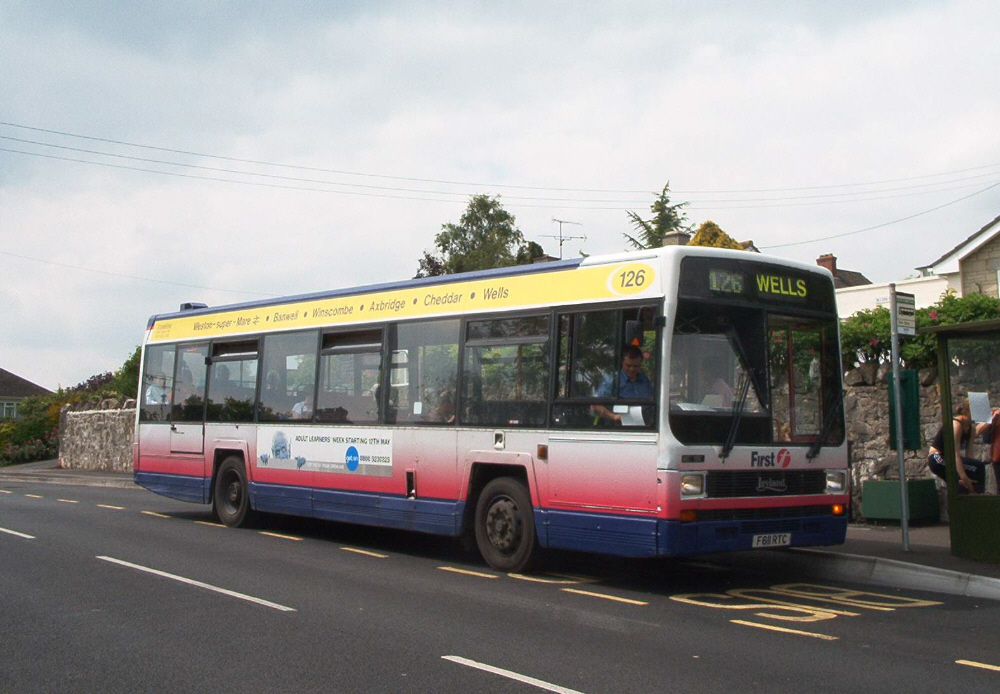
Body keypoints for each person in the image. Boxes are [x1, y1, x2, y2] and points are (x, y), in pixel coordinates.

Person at [927, 402, 989, 495]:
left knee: (977, 467)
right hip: (937, 458)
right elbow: (955, 454)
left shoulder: (971, 429)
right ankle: (974, 495)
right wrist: (964, 477)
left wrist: (970, 474)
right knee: (976, 468)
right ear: (969, 412)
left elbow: (970, 455)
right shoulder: (956, 424)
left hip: (949, 458)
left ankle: (974, 495)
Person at [592, 346, 654, 423]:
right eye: (628, 365)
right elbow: (595, 405)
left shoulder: (645, 381)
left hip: (644, 425)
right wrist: (614, 417)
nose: (631, 369)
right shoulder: (612, 381)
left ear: (640, 364)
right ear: (622, 363)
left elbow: (652, 402)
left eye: (635, 366)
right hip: (617, 426)